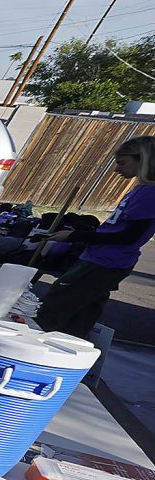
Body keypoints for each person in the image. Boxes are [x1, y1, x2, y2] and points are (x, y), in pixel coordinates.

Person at [36, 136, 155, 339]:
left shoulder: (150, 194)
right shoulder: (141, 190)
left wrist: (74, 235)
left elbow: (128, 236)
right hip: (100, 258)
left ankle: (34, 349)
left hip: (105, 262)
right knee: (81, 313)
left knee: (56, 306)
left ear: (143, 160)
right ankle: (66, 354)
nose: (117, 170)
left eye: (122, 163)